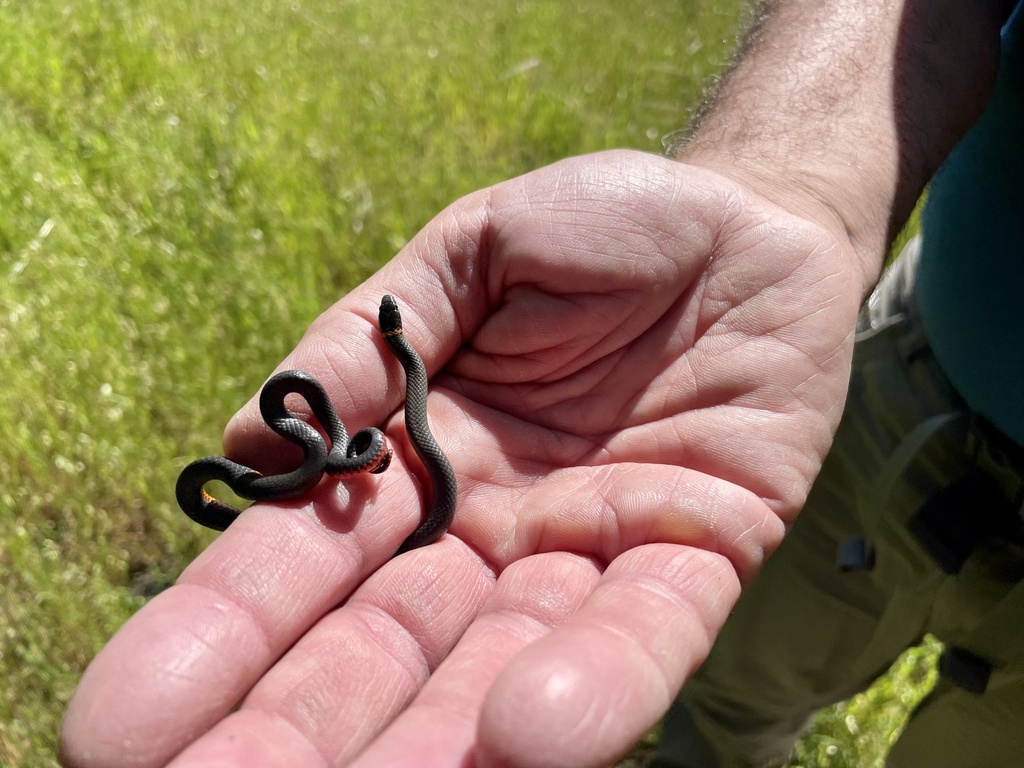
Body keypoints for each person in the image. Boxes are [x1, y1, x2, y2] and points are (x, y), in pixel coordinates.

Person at [59, 1, 1022, 767]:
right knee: (737, 689)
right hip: (920, 373)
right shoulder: (370, 425)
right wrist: (786, 182)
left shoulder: (376, 431)